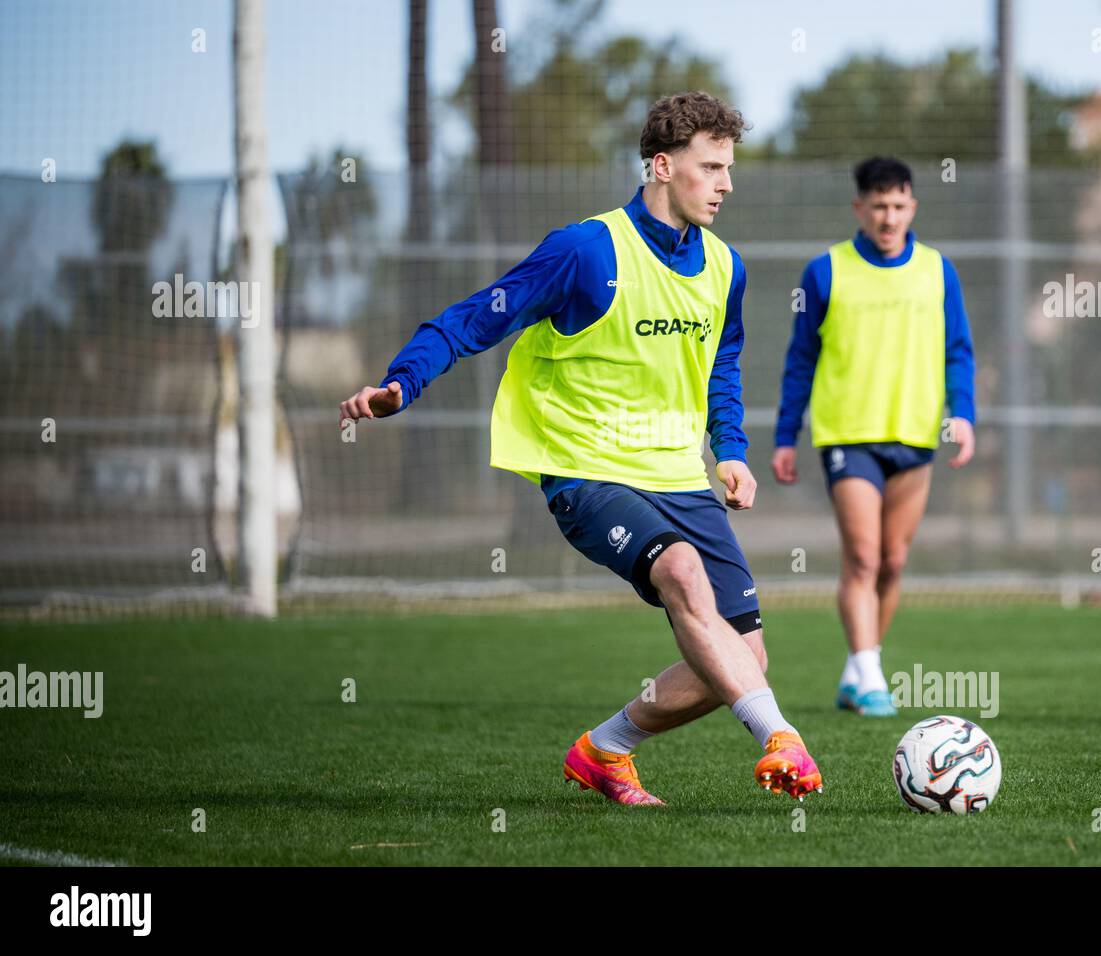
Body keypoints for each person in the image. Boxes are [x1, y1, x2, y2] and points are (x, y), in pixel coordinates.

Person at [339, 91, 822, 805]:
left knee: (744, 658)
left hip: (676, 476)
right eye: (711, 167)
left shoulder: (725, 267)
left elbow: (721, 366)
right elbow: (473, 319)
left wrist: (729, 449)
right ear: (661, 165)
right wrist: (401, 384)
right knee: (683, 573)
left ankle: (605, 749)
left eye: (729, 168)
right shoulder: (585, 251)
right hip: (584, 470)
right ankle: (783, 739)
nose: (726, 184)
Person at [772, 156, 976, 717]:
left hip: (914, 435)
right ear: (859, 207)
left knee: (893, 561)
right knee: (861, 557)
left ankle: (858, 667)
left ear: (912, 206)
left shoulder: (938, 270)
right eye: (878, 206)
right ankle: (871, 678)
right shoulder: (825, 271)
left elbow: (957, 349)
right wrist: (786, 435)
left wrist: (964, 414)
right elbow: (800, 359)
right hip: (848, 434)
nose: (888, 217)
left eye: (898, 205)